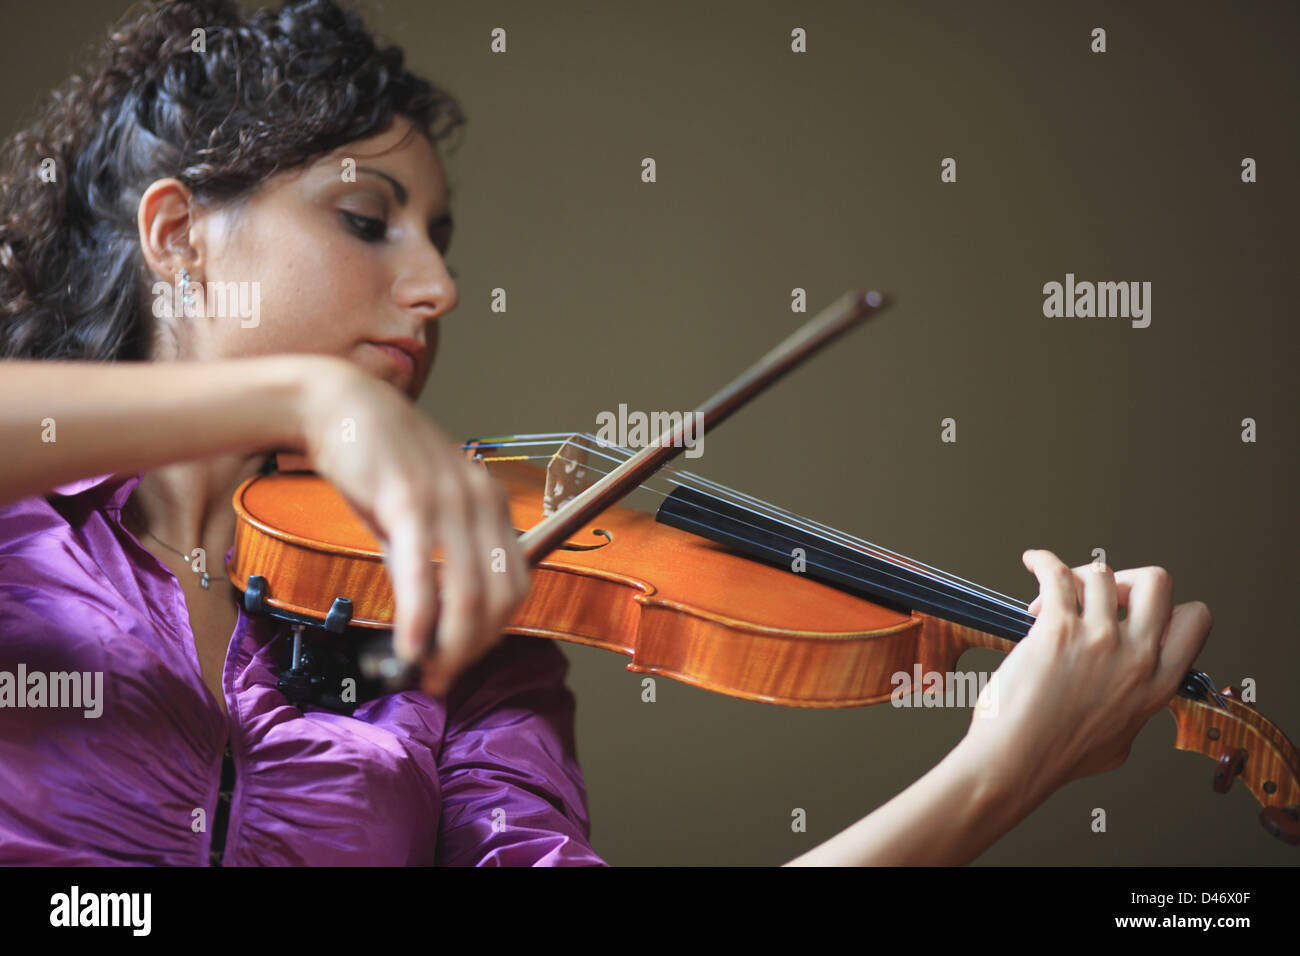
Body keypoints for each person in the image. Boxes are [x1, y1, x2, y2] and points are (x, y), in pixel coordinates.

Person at [0, 0, 1213, 866]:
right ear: (178, 237)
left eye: (442, 237)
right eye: (369, 220)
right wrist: (304, 397)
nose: (438, 287)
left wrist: (995, 774)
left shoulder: (467, 627)